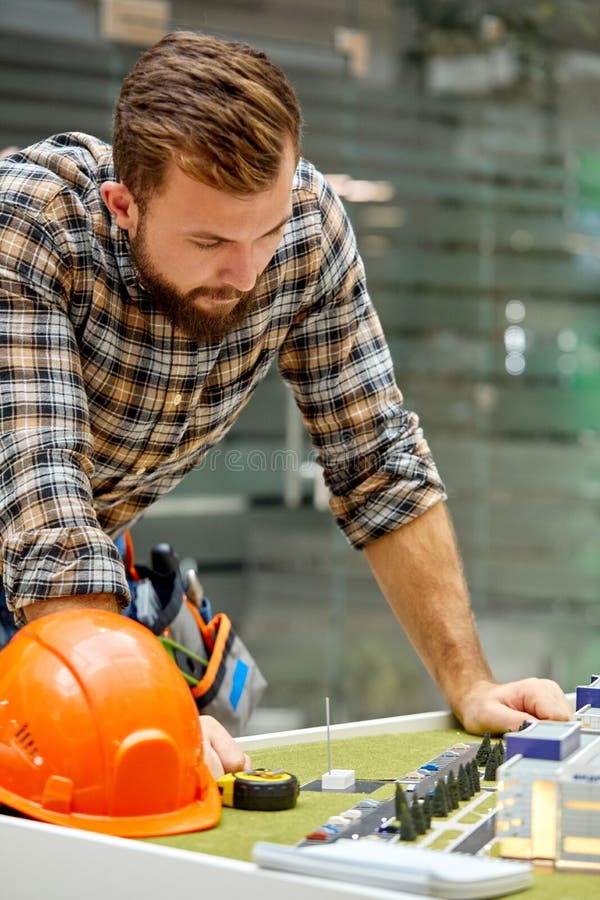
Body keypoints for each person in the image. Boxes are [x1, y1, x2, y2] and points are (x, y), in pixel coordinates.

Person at [0, 31, 571, 773]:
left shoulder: (306, 229)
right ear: (123, 204)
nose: (244, 273)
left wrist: (472, 683)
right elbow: (45, 501)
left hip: (80, 564)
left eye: (263, 232)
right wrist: (132, 705)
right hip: (45, 539)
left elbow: (380, 465)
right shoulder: (32, 225)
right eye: (208, 241)